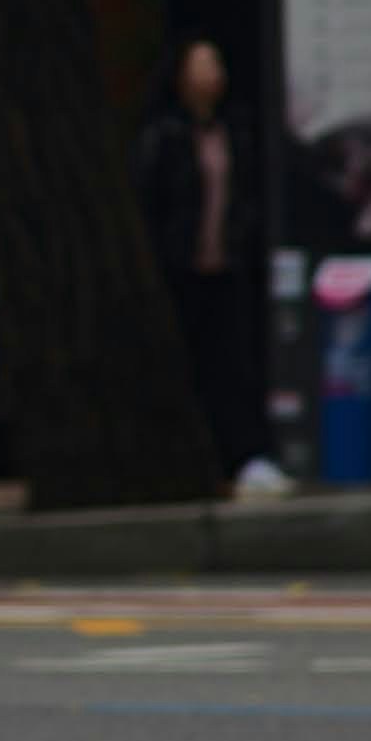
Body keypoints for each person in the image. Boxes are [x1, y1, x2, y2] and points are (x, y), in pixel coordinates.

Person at [134, 35, 266, 487]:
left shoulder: (233, 131)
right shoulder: (163, 135)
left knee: (230, 363)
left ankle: (241, 456)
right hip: (179, 267)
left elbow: (244, 196)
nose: (213, 75)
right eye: (201, 65)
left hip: (223, 265)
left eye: (217, 64)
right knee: (181, 363)